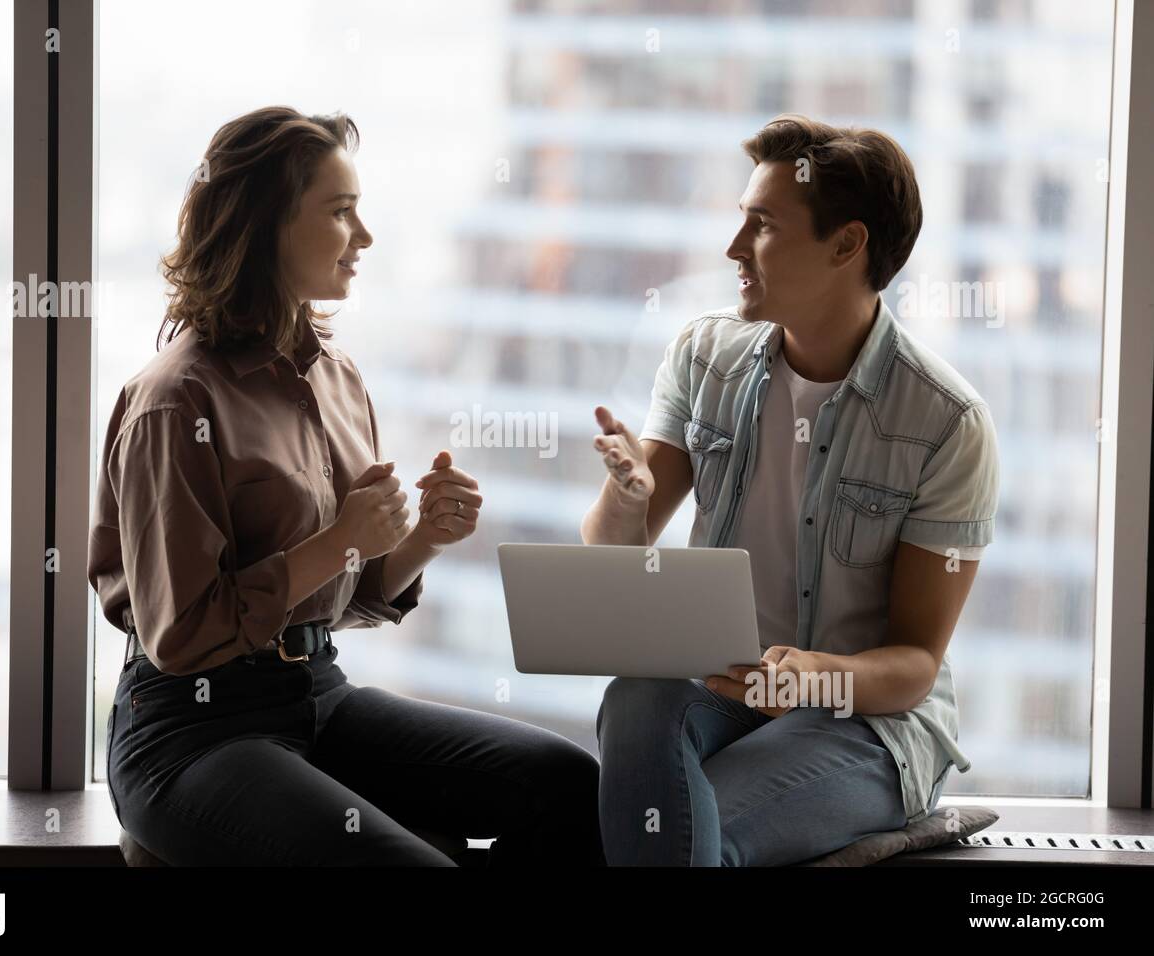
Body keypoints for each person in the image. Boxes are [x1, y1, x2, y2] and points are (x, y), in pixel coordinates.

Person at [88, 106, 604, 866]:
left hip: (317, 696)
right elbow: (185, 635)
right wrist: (340, 540)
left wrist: (420, 537)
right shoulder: (177, 403)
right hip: (192, 732)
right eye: (340, 213)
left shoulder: (335, 377)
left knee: (568, 784)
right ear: (265, 225)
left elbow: (348, 592)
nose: (363, 237)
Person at [582, 114, 999, 866]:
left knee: (674, 840)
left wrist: (815, 678)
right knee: (637, 695)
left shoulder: (945, 422)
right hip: (716, 687)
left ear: (847, 244)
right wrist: (631, 498)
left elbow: (914, 663)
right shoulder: (704, 355)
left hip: (863, 720)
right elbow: (611, 555)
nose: (733, 248)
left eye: (762, 226)